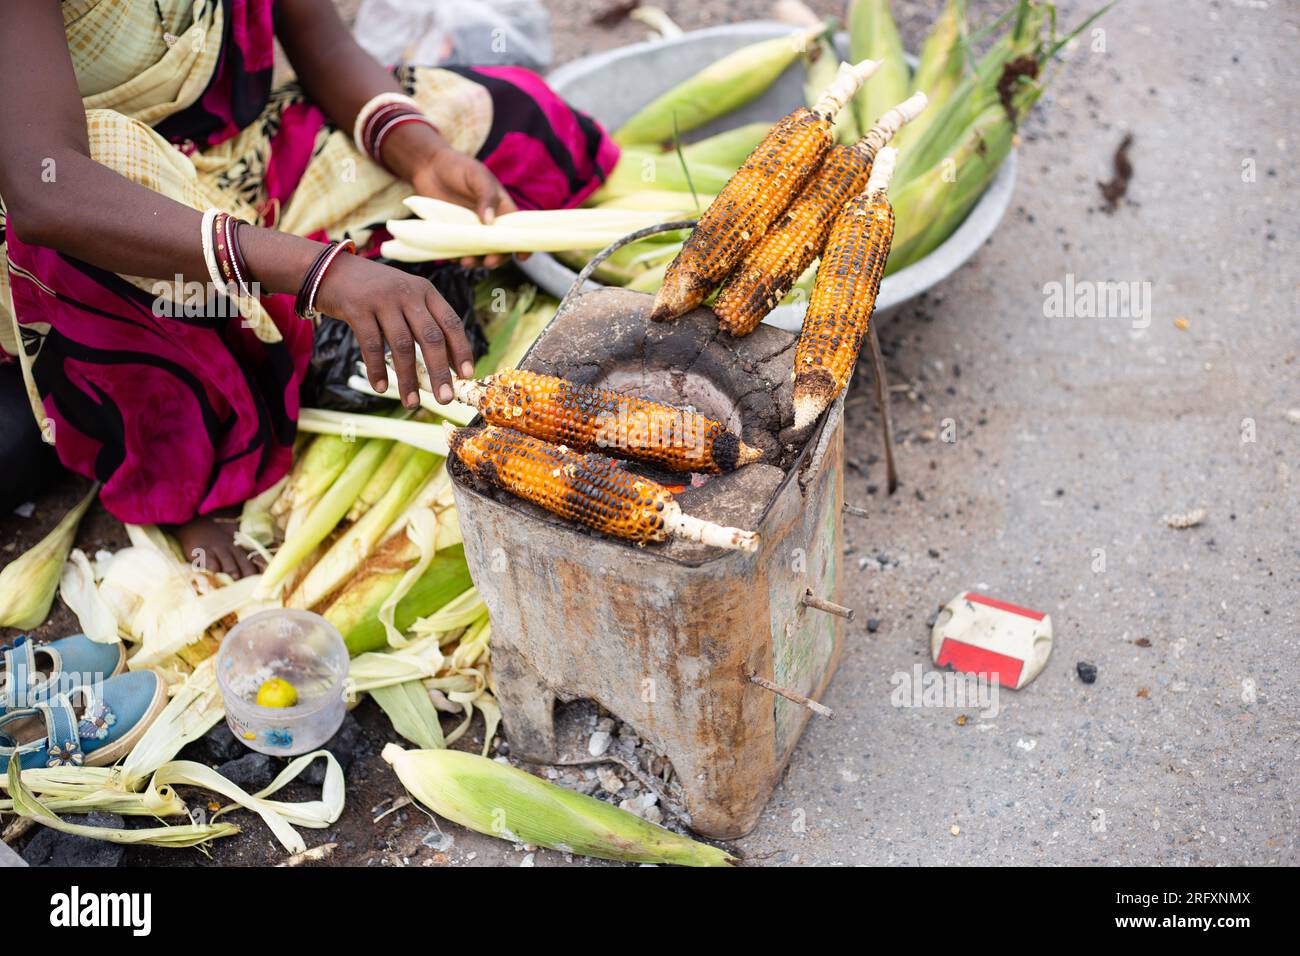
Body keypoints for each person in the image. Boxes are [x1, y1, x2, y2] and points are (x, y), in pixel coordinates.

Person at [0, 0, 616, 575]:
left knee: (511, 115)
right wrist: (321, 272)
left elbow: (323, 46)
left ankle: (283, 334)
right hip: (116, 205)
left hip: (246, 153)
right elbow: (42, 191)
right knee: (83, 255)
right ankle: (185, 478)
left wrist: (422, 155)